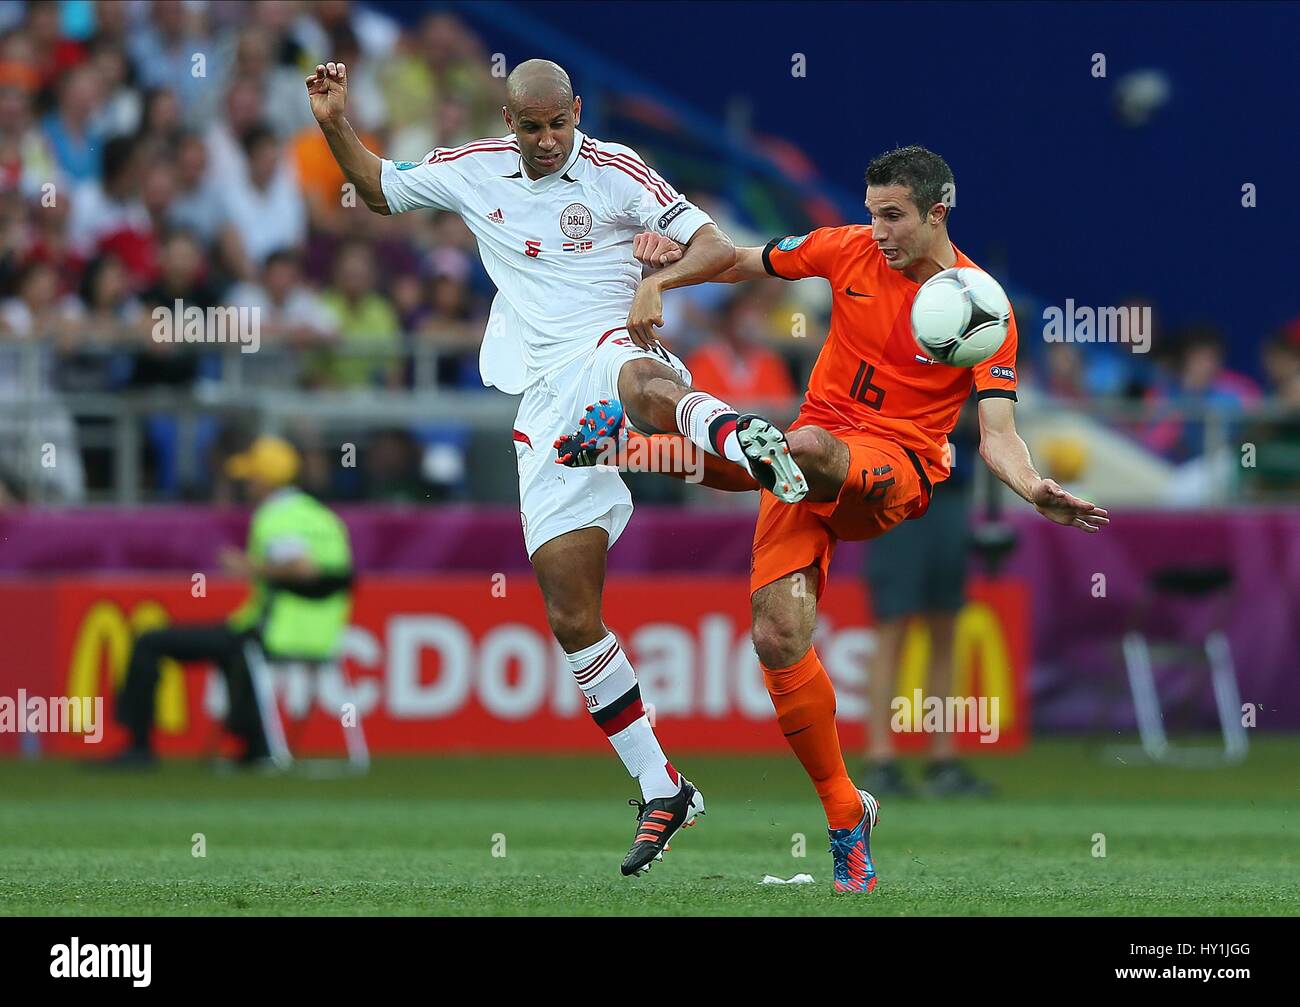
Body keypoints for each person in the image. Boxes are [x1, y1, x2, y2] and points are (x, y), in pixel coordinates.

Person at [306, 56, 794, 875]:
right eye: (529, 128)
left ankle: (737, 434)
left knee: (639, 377)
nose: (544, 140)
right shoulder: (473, 170)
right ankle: (662, 786)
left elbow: (715, 243)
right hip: (541, 398)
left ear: (576, 111)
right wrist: (333, 125)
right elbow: (382, 186)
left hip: (610, 344)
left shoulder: (616, 173)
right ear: (509, 118)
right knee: (571, 614)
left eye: (556, 124)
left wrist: (661, 280)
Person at [634, 145, 1108, 892]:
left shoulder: (981, 306)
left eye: (893, 215)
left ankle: (655, 448)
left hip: (896, 469)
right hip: (809, 456)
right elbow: (737, 260)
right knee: (776, 632)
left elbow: (999, 433)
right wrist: (668, 271)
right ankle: (846, 812)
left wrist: (1030, 486)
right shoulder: (845, 250)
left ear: (936, 213)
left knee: (804, 444)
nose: (878, 229)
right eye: (872, 212)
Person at [108, 436, 353, 767]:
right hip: (323, 638)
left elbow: (302, 568)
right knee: (232, 650)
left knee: (150, 641)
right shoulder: (325, 519)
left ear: (266, 480)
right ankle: (253, 742)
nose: (246, 483)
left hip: (273, 632)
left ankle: (138, 747)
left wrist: (248, 566)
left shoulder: (277, 517)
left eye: (251, 476)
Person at [862, 398, 993, 797]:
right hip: (895, 491)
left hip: (950, 492)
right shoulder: (897, 350)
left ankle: (942, 757)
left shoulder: (967, 354)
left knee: (945, 627)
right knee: (893, 626)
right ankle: (880, 757)